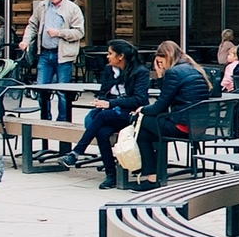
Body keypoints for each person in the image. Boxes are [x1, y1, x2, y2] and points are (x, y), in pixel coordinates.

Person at [131, 42, 212, 186]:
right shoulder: (194, 68)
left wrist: (141, 109)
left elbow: (160, 106)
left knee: (141, 122)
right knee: (146, 132)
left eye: (160, 62)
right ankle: (153, 173)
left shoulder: (173, 72)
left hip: (182, 126)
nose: (160, 66)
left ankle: (152, 176)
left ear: (166, 56)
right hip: (198, 126)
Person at [72, 40, 151, 189]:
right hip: (112, 112)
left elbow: (139, 99)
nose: (107, 56)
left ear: (120, 56)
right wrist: (100, 102)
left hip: (131, 113)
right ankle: (111, 175)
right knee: (101, 132)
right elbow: (103, 93)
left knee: (102, 117)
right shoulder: (109, 70)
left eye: (110, 53)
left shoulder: (140, 72)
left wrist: (111, 104)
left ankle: (77, 151)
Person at [19, 0, 85, 121]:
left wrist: (59, 32)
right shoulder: (42, 6)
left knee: (63, 91)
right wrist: (25, 40)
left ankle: (62, 121)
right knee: (42, 89)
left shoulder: (72, 9)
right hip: (44, 54)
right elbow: (32, 25)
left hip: (63, 55)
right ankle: (45, 119)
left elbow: (79, 32)